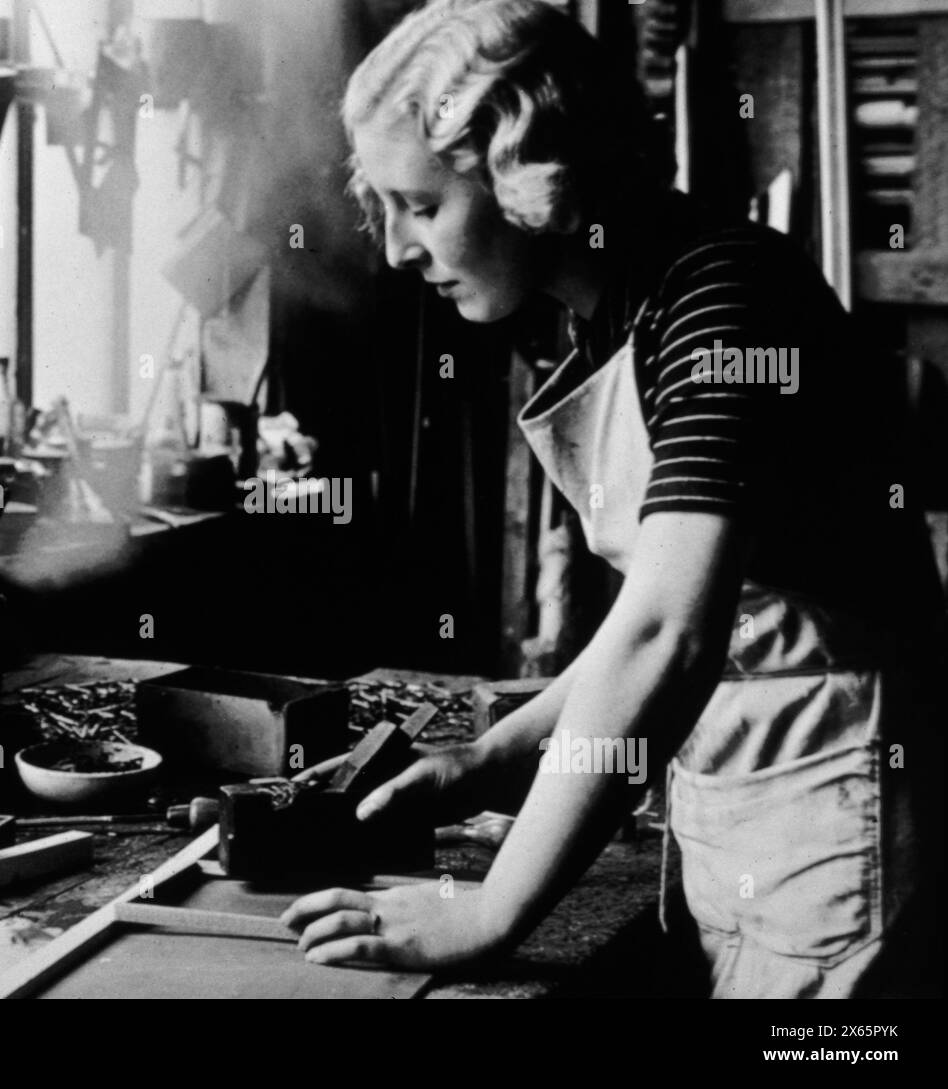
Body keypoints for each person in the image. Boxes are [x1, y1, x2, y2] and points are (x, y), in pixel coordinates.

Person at [280, 0, 946, 997]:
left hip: (847, 845)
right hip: (756, 828)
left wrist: (488, 915)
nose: (395, 250)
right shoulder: (616, 315)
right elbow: (674, 621)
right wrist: (493, 758)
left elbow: (666, 636)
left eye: (419, 205)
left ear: (525, 170)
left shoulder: (723, 298)